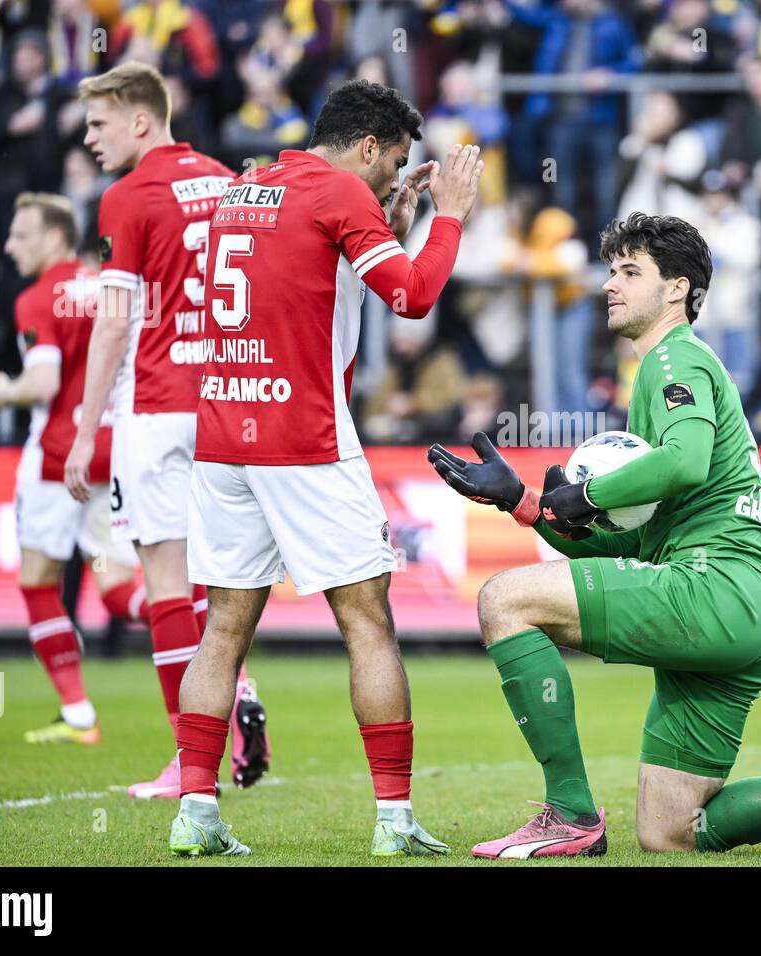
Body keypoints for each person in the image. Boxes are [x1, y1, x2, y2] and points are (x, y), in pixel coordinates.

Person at [427, 212, 761, 858]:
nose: (610, 285)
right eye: (611, 271)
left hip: (711, 587)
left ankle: (570, 813)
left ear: (677, 289)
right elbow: (634, 548)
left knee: (504, 600)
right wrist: (527, 504)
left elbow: (686, 461)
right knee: (669, 832)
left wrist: (582, 495)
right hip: (745, 615)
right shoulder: (668, 375)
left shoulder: (675, 358)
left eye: (630, 271)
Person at [168, 80, 483, 858]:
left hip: (224, 437)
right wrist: (449, 220)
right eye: (396, 162)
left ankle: (196, 816)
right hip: (304, 437)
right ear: (368, 145)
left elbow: (302, 288)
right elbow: (411, 297)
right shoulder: (342, 193)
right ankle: (393, 822)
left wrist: (388, 224)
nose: (392, 178)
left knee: (222, 632)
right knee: (367, 622)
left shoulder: (247, 188)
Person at [63, 62, 270, 799]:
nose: (88, 138)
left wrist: (86, 432)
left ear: (140, 120)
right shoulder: (226, 179)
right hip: (229, 400)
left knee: (164, 591)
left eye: (98, 123)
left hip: (157, 406)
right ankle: (236, 684)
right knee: (221, 585)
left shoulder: (126, 196)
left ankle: (189, 768)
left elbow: (114, 325)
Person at [0, 192, 149, 744]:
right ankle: (204, 624)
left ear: (55, 237)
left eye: (21, 235)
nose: (10, 246)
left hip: (60, 461)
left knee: (38, 583)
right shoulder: (111, 287)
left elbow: (44, 384)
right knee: (117, 588)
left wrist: (1, 388)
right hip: (114, 453)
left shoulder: (36, 299)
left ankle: (78, 713)